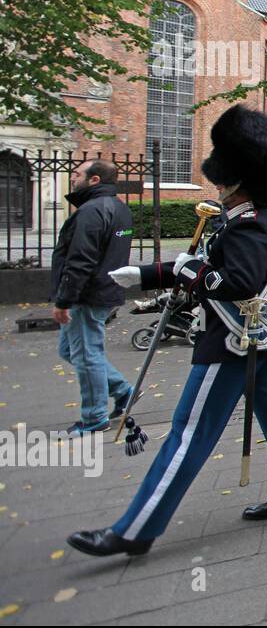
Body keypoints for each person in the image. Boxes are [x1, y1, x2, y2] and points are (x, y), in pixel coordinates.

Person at [69, 105, 267, 557]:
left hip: (232, 341)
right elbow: (204, 266)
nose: (218, 184)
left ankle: (136, 528)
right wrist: (146, 274)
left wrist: (192, 274)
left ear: (238, 179)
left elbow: (231, 281)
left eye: (223, 178)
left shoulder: (248, 227)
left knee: (188, 433)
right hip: (256, 337)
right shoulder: (254, 221)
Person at [49, 159, 135, 435]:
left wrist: (64, 300)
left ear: (94, 180)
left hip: (88, 295)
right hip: (103, 290)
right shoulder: (119, 208)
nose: (73, 179)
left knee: (87, 355)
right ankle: (123, 391)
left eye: (77, 174)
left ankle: (94, 416)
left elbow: (81, 259)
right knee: (71, 350)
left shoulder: (91, 210)